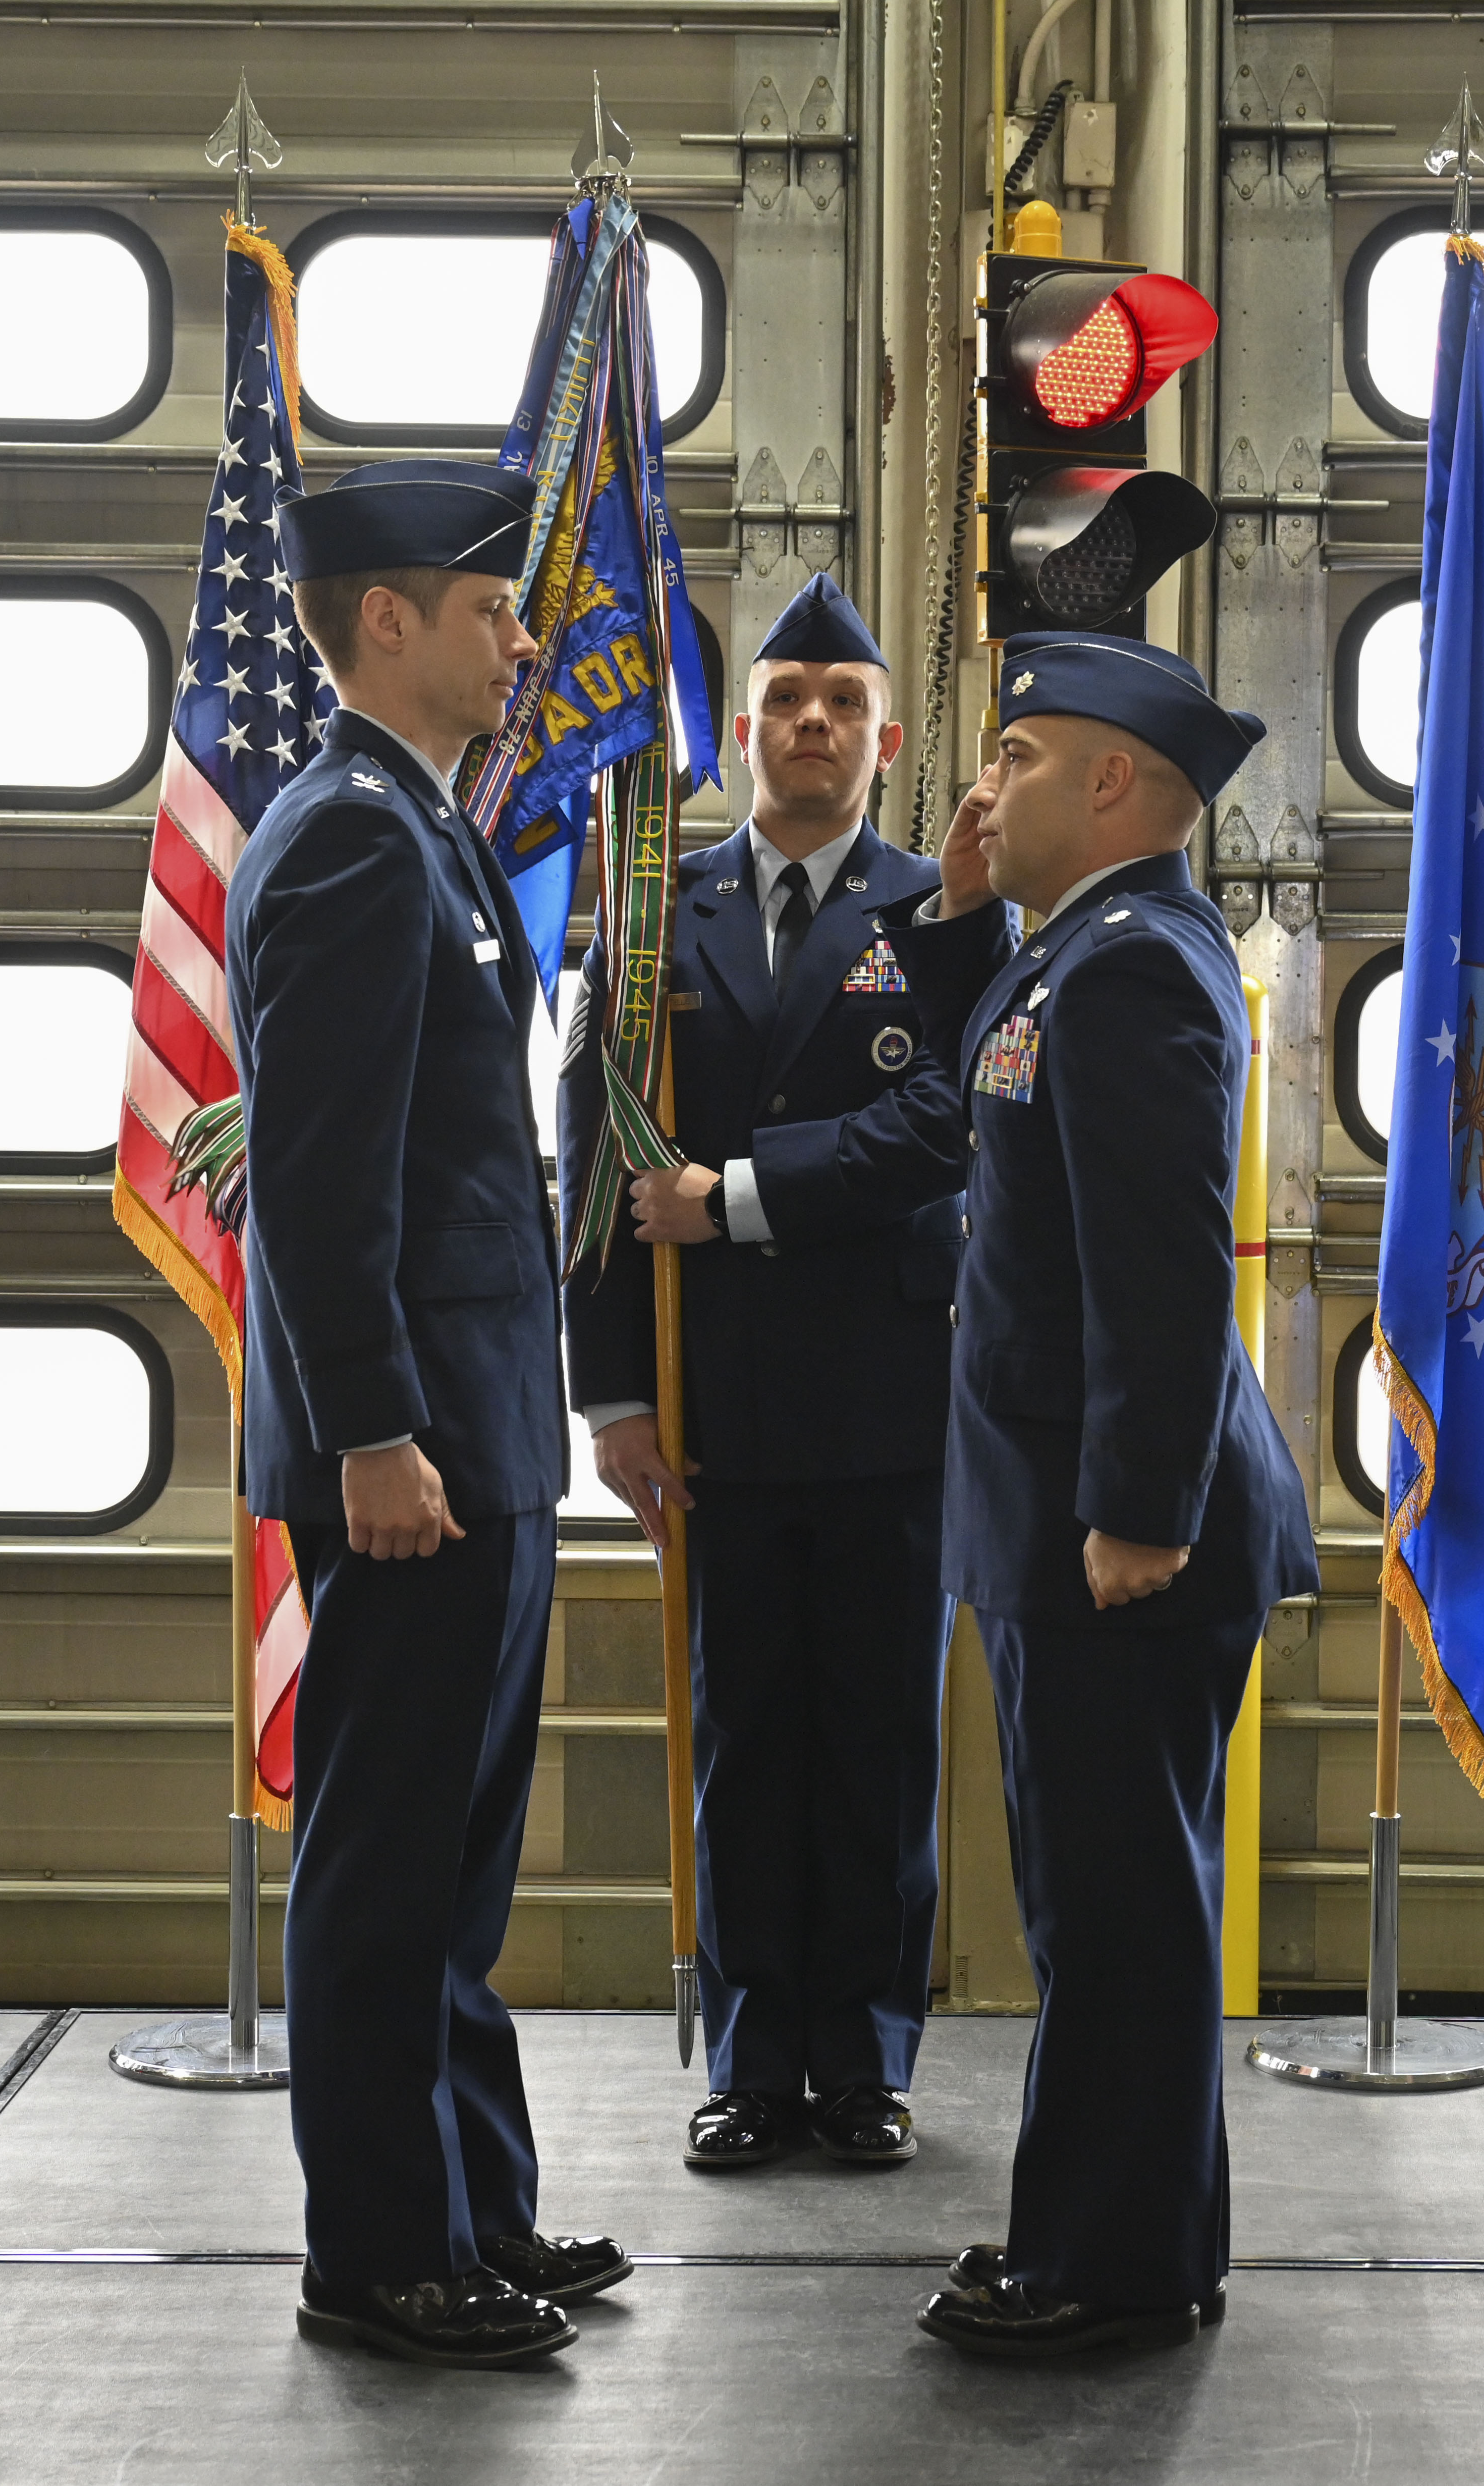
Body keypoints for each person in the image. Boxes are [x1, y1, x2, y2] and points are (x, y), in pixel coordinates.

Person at [226, 458, 629, 2369]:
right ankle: (377, 2256)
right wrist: (375, 1430)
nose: (523, 637)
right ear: (388, 620)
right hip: (415, 1454)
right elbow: (318, 1179)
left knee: (455, 1860)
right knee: (387, 1863)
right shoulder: (347, 839)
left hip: (478, 1433)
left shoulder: (420, 822)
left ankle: (476, 2211)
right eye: (489, 611)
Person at [881, 633, 1321, 2359]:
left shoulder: (1133, 970)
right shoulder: (1075, 953)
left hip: (1122, 1529)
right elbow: (997, 1134)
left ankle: (1114, 2269)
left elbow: (1156, 1266)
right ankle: (1112, 2239)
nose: (981, 791)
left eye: (1017, 760)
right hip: (1074, 1512)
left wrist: (1137, 1505)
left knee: (1117, 1909)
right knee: (1102, 1898)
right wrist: (969, 916)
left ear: (1117, 784)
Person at [558, 573, 1010, 2172]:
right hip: (714, 1408)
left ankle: (865, 2060)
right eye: (785, 701)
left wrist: (732, 1198)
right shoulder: (644, 914)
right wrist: (610, 1399)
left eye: (841, 704)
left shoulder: (948, 914)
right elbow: (593, 1151)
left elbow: (946, 1131)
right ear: (740, 731)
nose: (810, 726)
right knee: (744, 1735)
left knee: (878, 1744)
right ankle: (753, 2061)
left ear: (883, 741)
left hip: (889, 1403)